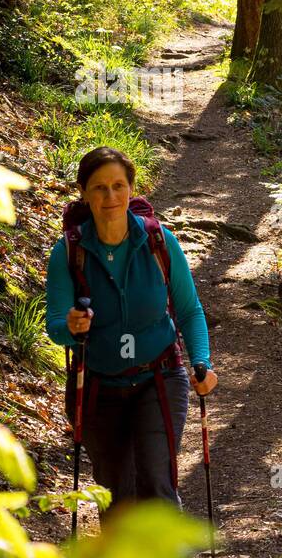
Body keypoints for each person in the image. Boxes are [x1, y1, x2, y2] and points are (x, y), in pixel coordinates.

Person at [45, 145, 218, 523]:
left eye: (118, 186)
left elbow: (189, 311)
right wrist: (72, 327)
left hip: (160, 377)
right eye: (99, 188)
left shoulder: (159, 242)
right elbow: (55, 324)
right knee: (114, 494)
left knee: (156, 482)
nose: (110, 197)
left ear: (131, 189)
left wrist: (201, 362)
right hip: (97, 386)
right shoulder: (69, 252)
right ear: (84, 194)